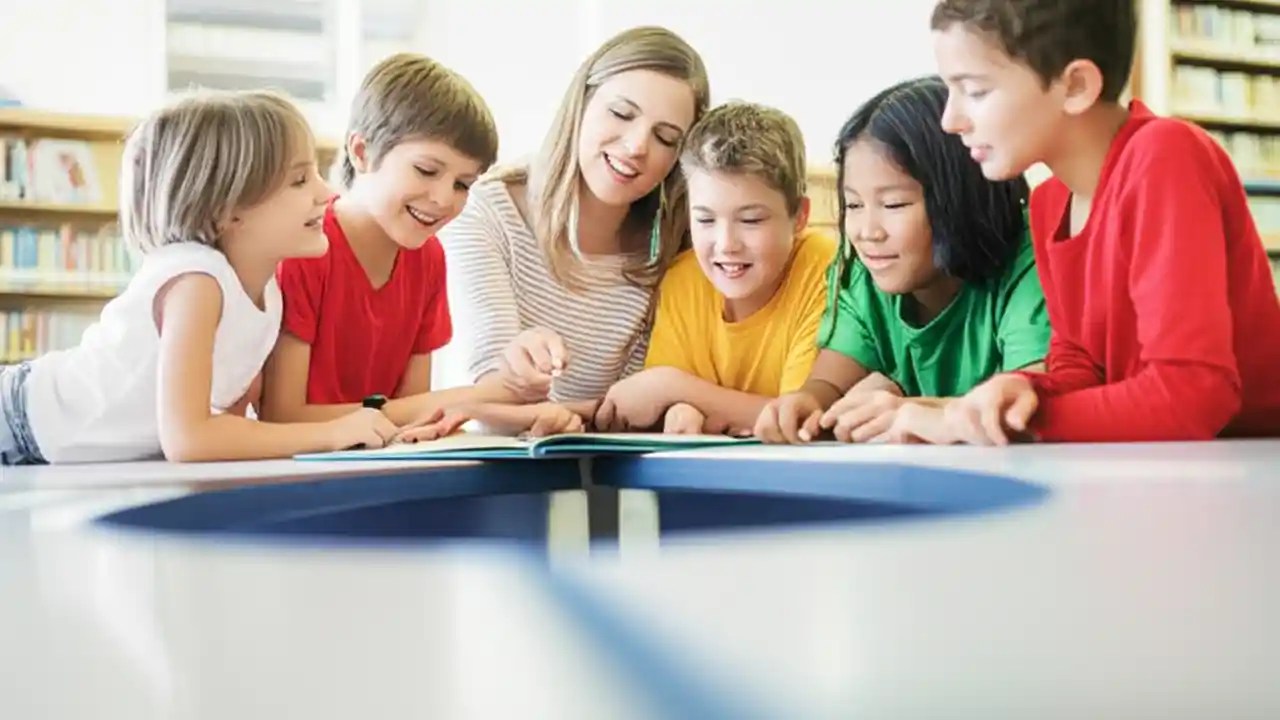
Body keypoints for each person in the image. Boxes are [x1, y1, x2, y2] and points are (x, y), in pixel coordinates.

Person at [932, 0, 1280, 443]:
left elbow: (1193, 394)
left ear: (1075, 85)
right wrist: (1024, 391)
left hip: (1256, 465)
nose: (950, 120)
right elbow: (1079, 365)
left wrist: (1026, 427)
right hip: (1167, 467)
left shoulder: (1165, 155)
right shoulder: (1047, 202)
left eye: (975, 91)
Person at [0, 90, 396, 464]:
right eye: (299, 180)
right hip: (19, 416)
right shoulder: (196, 282)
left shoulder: (268, 293)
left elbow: (229, 424)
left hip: (52, 446)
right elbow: (188, 439)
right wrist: (332, 434)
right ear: (229, 210)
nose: (327, 192)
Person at [428, 25, 711, 436]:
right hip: (490, 471)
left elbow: (630, 410)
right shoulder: (486, 210)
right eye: (621, 113)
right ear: (581, 103)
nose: (636, 146)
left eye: (665, 137)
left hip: (603, 481)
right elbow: (488, 393)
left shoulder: (671, 251)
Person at [754, 76, 1048, 445]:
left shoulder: (1028, 260)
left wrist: (911, 410)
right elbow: (825, 386)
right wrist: (801, 405)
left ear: (960, 199)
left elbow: (1029, 404)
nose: (867, 232)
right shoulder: (864, 274)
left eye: (893, 205)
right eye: (854, 205)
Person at [262, 53, 503, 429]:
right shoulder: (306, 247)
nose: (443, 198)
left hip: (379, 467)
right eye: (426, 170)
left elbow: (414, 419)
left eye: (462, 185)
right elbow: (283, 415)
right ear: (361, 152)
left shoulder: (428, 257)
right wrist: (465, 399)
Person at [593, 100, 837, 435]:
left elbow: (799, 417)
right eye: (705, 219)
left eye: (751, 220)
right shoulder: (683, 280)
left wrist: (672, 387)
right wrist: (682, 409)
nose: (726, 244)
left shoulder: (827, 267)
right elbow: (672, 410)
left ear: (800, 217)